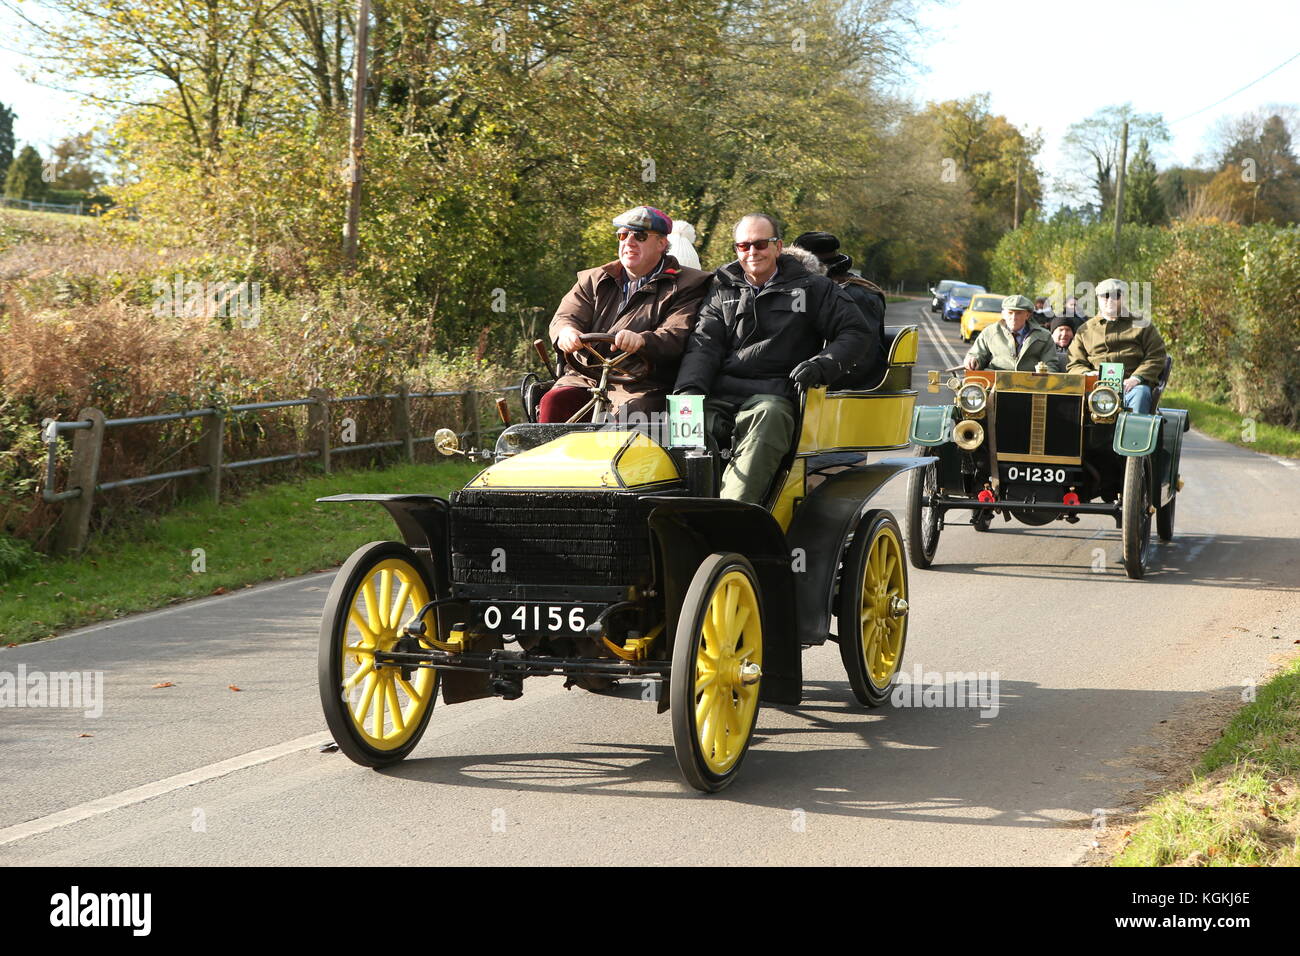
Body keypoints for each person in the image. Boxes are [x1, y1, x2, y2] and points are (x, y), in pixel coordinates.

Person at [674, 213, 869, 504]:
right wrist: (687, 394)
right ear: (736, 250)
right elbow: (704, 345)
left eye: (761, 244)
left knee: (768, 416)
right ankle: (676, 515)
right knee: (680, 420)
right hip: (720, 394)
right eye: (743, 246)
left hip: (774, 396)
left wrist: (822, 365)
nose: (752, 252)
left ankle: (731, 515)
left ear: (778, 247)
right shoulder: (722, 287)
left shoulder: (813, 288)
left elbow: (855, 333)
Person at [544, 206, 711, 422]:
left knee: (629, 416)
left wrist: (642, 340)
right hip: (585, 376)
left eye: (639, 236)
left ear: (662, 243)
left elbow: (676, 334)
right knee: (554, 401)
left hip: (641, 383)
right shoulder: (593, 279)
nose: (628, 242)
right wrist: (566, 332)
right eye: (623, 235)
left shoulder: (689, 284)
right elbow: (566, 316)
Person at [790, 231, 887, 388]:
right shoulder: (801, 292)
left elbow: (860, 358)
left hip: (848, 388)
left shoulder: (857, 295)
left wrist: (818, 374)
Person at [1067, 278, 1167, 413]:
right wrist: (1088, 375)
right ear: (1098, 298)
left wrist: (1137, 378)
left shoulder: (1142, 325)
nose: (1110, 300)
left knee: (1141, 394)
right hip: (1095, 386)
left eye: (1116, 296)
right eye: (1105, 296)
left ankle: (1134, 432)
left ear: (1123, 298)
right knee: (1071, 401)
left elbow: (1156, 355)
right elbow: (1074, 363)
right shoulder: (1085, 329)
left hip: (1131, 387)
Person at [964, 294, 1062, 372]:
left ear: (1027, 315)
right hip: (995, 384)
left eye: (1019, 313)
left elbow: (1051, 365)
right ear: (1003, 314)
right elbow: (977, 353)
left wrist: (1044, 379)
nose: (1014, 317)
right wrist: (973, 360)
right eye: (1010, 313)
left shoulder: (1044, 336)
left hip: (1031, 386)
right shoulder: (990, 332)